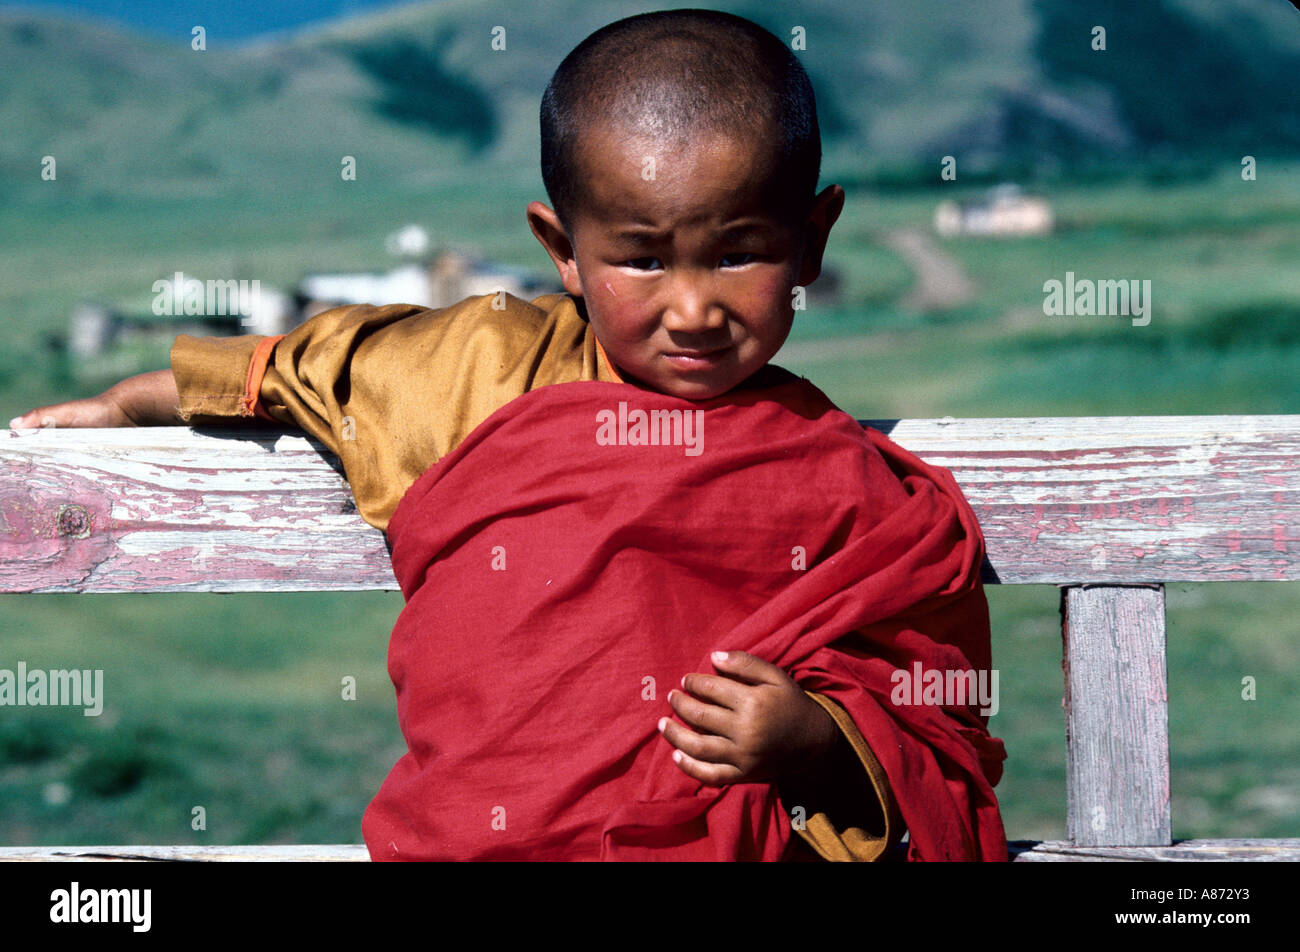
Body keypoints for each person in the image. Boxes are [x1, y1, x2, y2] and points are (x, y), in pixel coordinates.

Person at [10, 9, 1007, 861]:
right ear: (561, 250)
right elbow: (298, 367)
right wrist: (128, 406)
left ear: (814, 237)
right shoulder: (473, 366)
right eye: (643, 260)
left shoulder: (844, 479)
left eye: (740, 252)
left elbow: (938, 715)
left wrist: (817, 739)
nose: (695, 308)